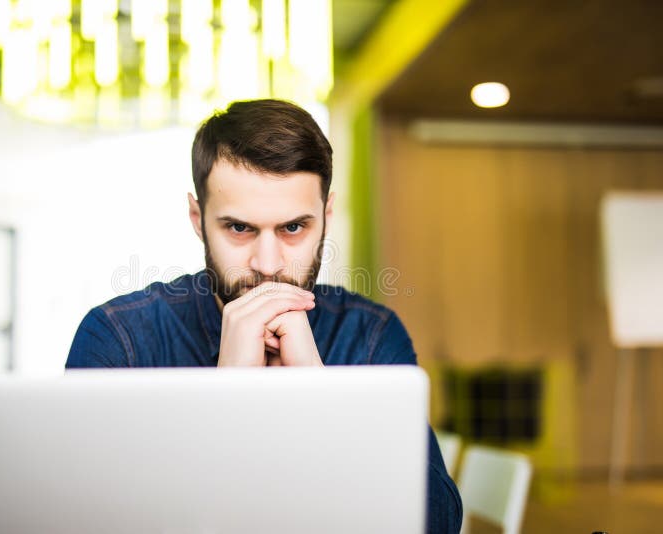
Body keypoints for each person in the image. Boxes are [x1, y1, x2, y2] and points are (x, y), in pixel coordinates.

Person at [66, 99, 463, 532]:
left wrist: (319, 395)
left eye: (294, 228)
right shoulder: (118, 337)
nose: (269, 264)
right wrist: (226, 398)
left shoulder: (369, 334)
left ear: (326, 217)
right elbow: (79, 519)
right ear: (198, 220)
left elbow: (437, 523)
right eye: (239, 228)